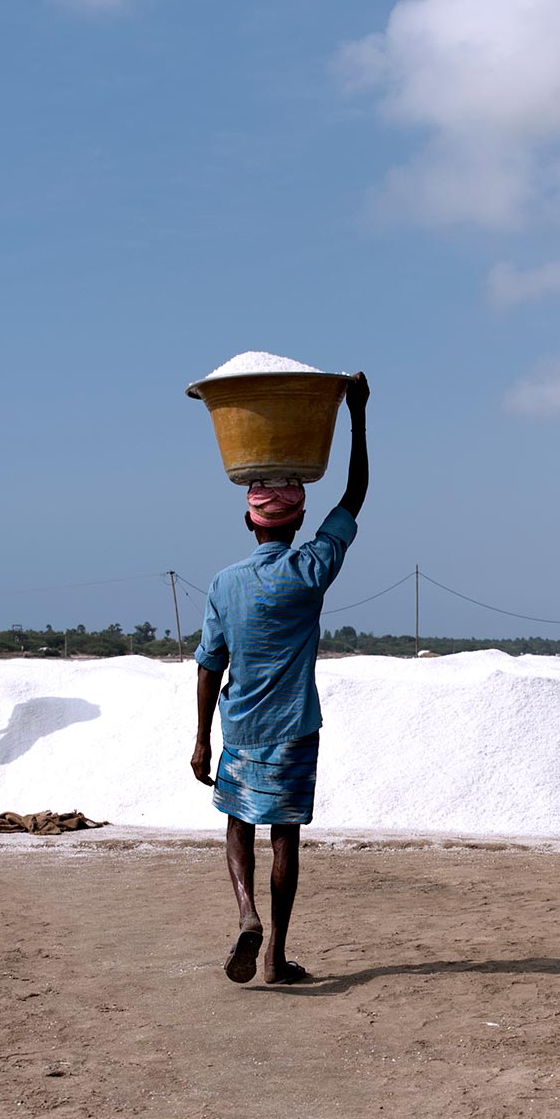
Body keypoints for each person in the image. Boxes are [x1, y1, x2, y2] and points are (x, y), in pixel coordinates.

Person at [191, 371, 370, 986]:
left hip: (240, 725)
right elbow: (354, 498)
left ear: (251, 522)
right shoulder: (311, 569)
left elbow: (209, 665)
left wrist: (200, 739)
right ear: (296, 523)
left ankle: (245, 912)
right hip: (294, 727)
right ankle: (275, 957)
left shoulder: (223, 583)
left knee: (238, 823)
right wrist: (358, 416)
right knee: (284, 838)